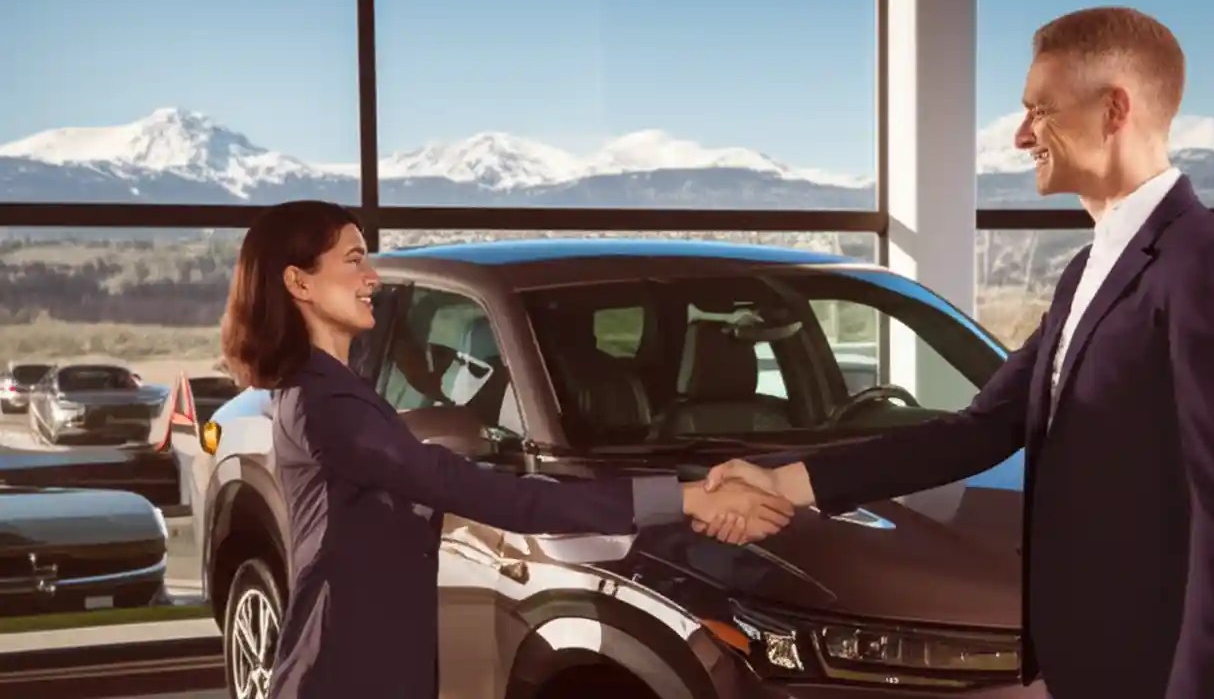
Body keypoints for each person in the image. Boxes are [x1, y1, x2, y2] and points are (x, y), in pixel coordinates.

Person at [698, 6, 1214, 699]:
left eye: (1041, 109)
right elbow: (979, 430)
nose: (1021, 133)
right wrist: (783, 483)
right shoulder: (1089, 271)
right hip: (1083, 659)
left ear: (1115, 108)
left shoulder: (1202, 266)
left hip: (1154, 673)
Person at [219, 200, 794, 699]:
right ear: (299, 284)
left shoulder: (337, 391)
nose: (373, 276)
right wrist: (684, 497)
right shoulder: (326, 406)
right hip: (344, 676)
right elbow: (496, 494)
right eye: (354, 260)